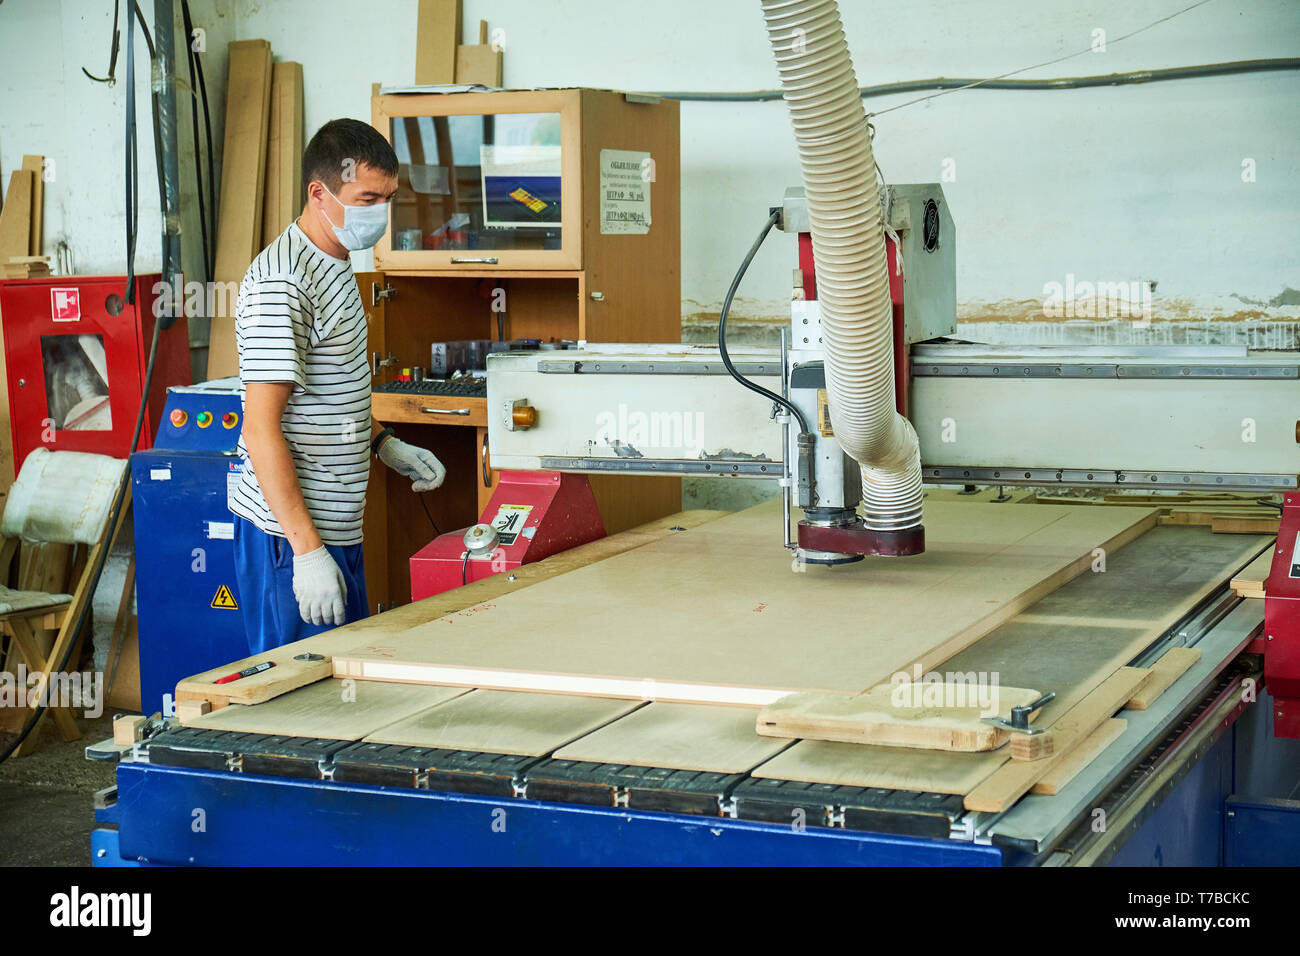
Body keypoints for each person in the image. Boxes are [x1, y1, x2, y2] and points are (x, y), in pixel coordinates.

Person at [227, 118, 444, 653]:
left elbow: (332, 393)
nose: (378, 214)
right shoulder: (283, 282)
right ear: (318, 192)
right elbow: (259, 429)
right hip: (290, 535)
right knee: (299, 702)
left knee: (338, 687)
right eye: (367, 197)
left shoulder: (336, 263)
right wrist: (306, 552)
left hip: (336, 525)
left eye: (387, 199)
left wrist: (383, 443)